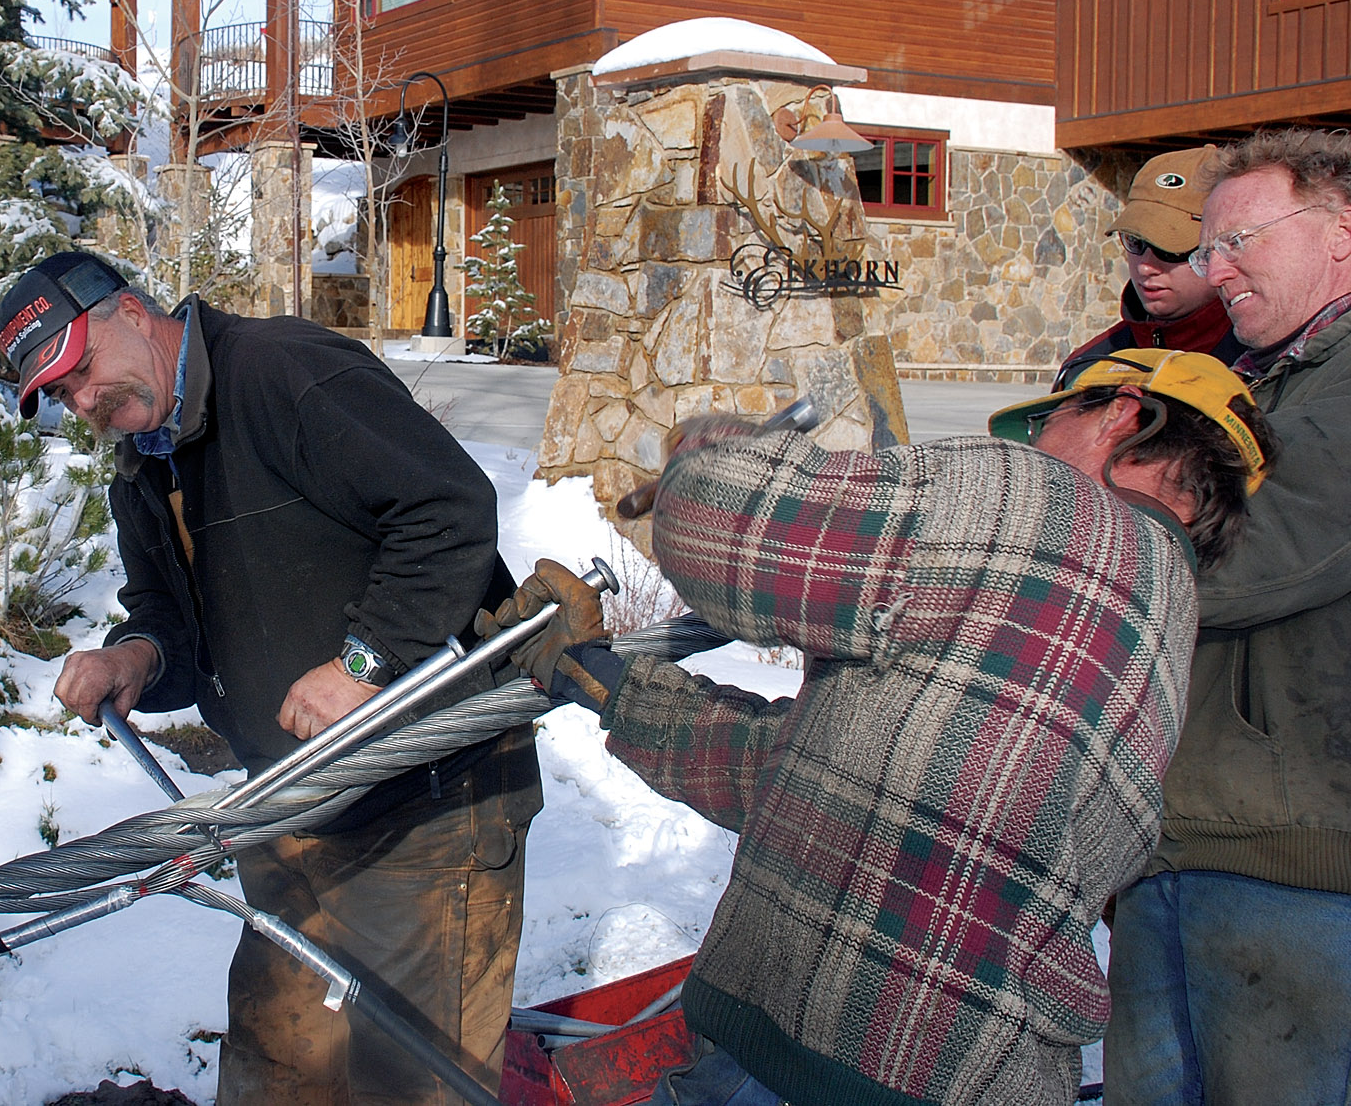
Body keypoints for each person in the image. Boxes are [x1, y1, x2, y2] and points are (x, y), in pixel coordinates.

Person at [479, 349, 1276, 1106]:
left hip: (813, 1054)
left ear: (1122, 414)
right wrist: (607, 683)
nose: (1035, 443)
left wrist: (710, 450)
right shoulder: (1168, 639)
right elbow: (818, 777)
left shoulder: (1030, 501)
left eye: (1050, 420)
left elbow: (719, 528)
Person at [0, 251, 542, 1105]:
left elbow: (449, 510)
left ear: (132, 313)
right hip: (289, 810)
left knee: (406, 1082)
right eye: (60, 396)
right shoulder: (145, 462)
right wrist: (135, 654)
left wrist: (362, 663)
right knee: (277, 1069)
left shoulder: (284, 373)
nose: (82, 402)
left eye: (80, 370)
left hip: (423, 807)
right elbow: (167, 613)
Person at [1103, 128, 1351, 1106]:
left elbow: (1245, 550)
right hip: (1182, 843)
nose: (1214, 268)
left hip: (1291, 868)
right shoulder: (1255, 379)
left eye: (1237, 238)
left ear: (1338, 230)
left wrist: (1063, 528)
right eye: (1205, 248)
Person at [1057, 145, 1242, 382]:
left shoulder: (1272, 367)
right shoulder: (1087, 370)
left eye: (1169, 247)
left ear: (1228, 245)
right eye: (1135, 240)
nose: (1146, 266)